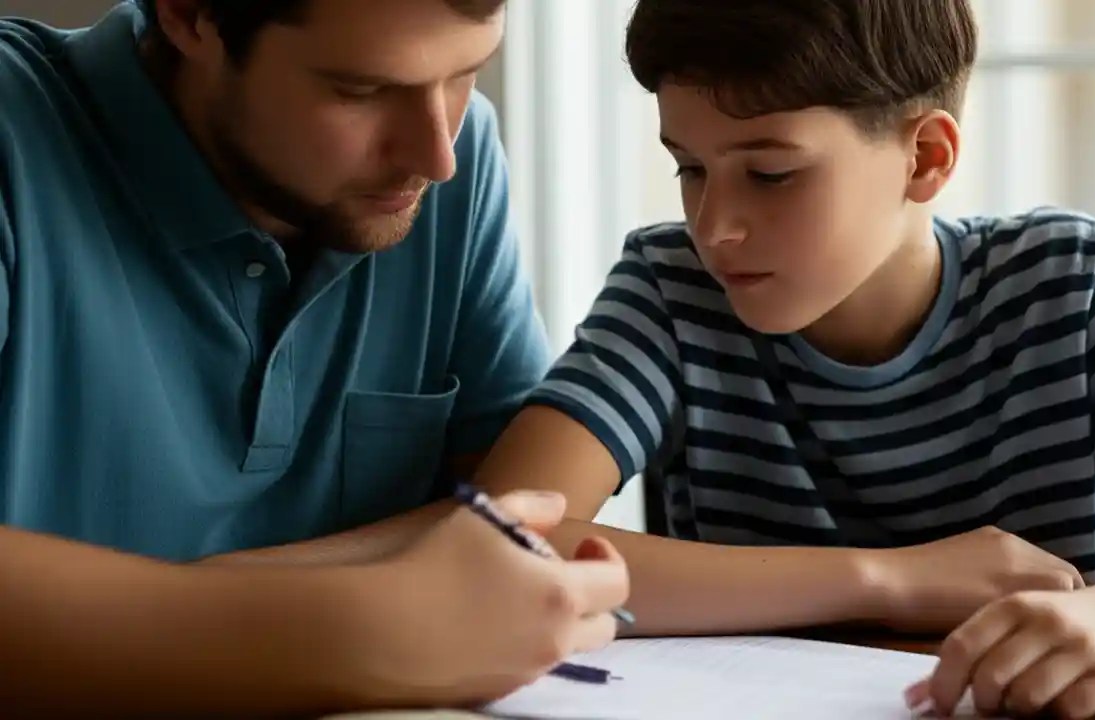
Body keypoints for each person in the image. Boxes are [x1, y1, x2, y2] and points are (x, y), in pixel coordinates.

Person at [457, 0, 1095, 717]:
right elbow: (496, 543)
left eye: (771, 174)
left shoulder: (1072, 291)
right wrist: (887, 578)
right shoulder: (671, 294)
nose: (715, 228)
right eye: (690, 168)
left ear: (925, 158)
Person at [0, 0, 628, 715]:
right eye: (360, 92)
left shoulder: (450, 170)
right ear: (188, 15)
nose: (436, 155)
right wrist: (363, 632)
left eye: (467, 74)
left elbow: (510, 524)